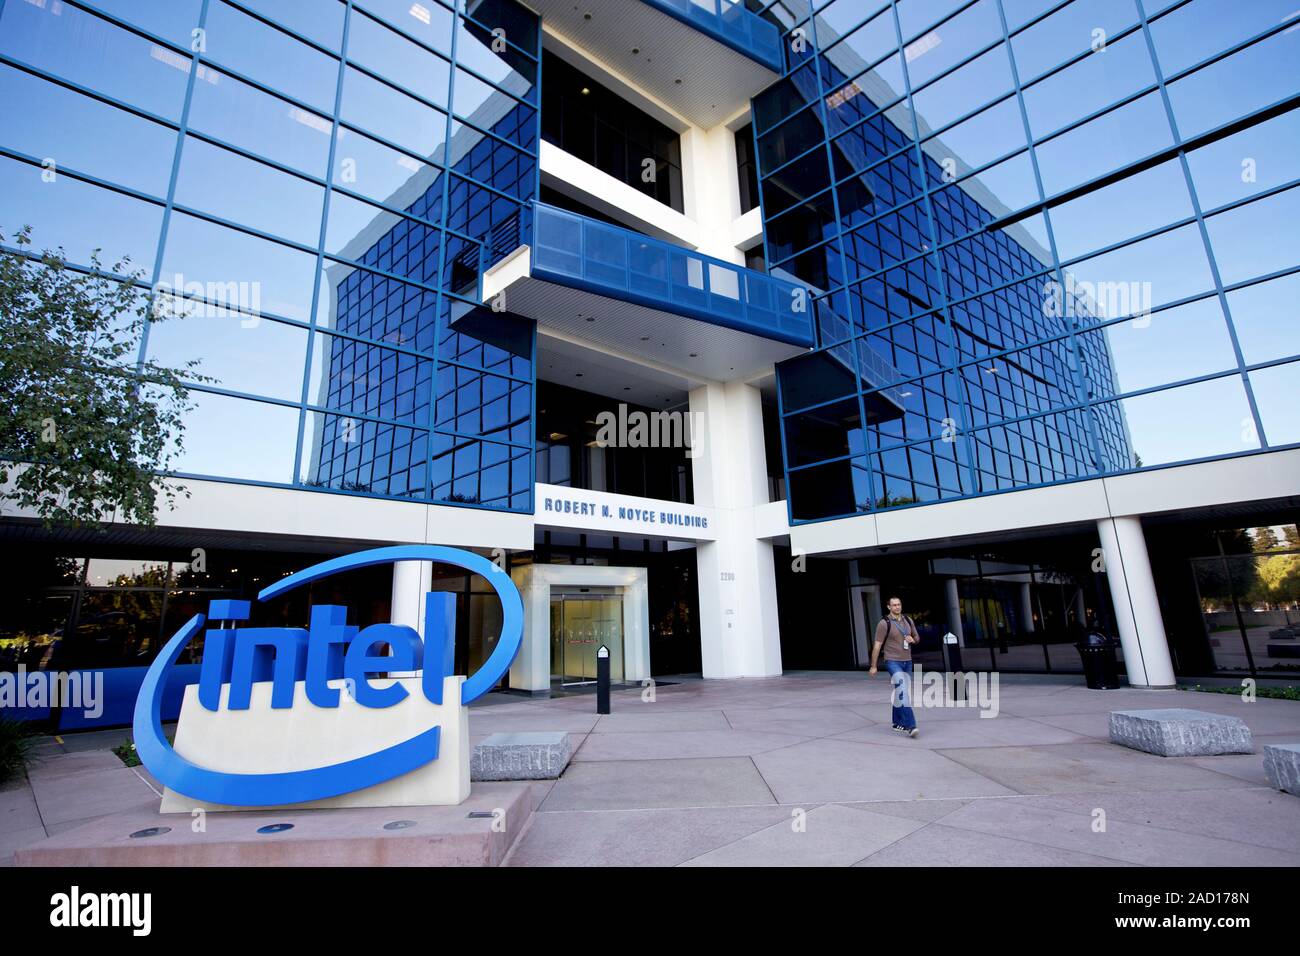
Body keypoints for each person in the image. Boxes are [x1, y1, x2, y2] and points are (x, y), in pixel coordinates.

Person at [869, 596, 920, 738]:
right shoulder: (884, 623)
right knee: (903, 691)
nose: (897, 607)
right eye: (894, 605)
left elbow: (917, 637)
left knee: (900, 691)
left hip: (907, 661)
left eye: (899, 604)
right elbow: (877, 645)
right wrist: (873, 665)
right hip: (892, 661)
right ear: (888, 607)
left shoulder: (908, 620)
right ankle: (911, 726)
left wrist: (913, 640)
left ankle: (897, 723)